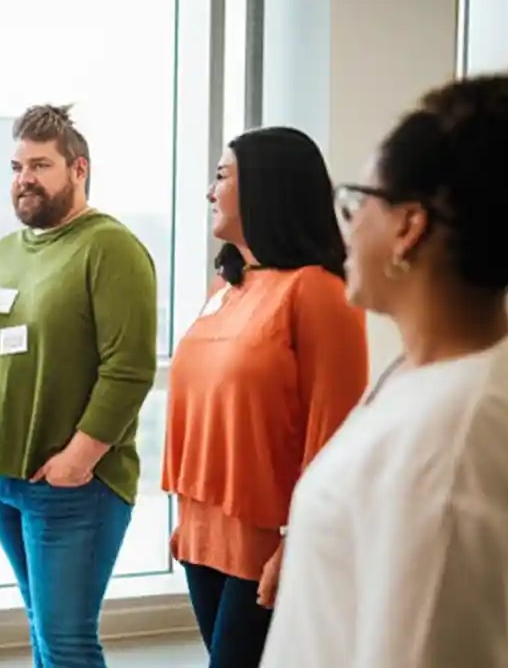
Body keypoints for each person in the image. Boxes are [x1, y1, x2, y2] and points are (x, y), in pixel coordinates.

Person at [262, 76, 508, 667]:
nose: (346, 229)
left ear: (409, 226)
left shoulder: (449, 454)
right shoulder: (435, 375)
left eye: (358, 203)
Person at [162, 126, 368, 666]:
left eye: (221, 176)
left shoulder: (318, 290)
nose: (209, 192)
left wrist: (298, 543)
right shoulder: (226, 290)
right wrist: (189, 523)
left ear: (266, 188)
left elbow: (337, 430)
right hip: (204, 531)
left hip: (271, 538)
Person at [0, 104, 157, 668]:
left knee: (68, 641)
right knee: (44, 631)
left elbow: (129, 367)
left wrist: (80, 457)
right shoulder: (3, 252)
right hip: (0, 479)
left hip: (73, 486)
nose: (25, 178)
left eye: (41, 165)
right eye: (17, 166)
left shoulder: (110, 248)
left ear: (79, 169)